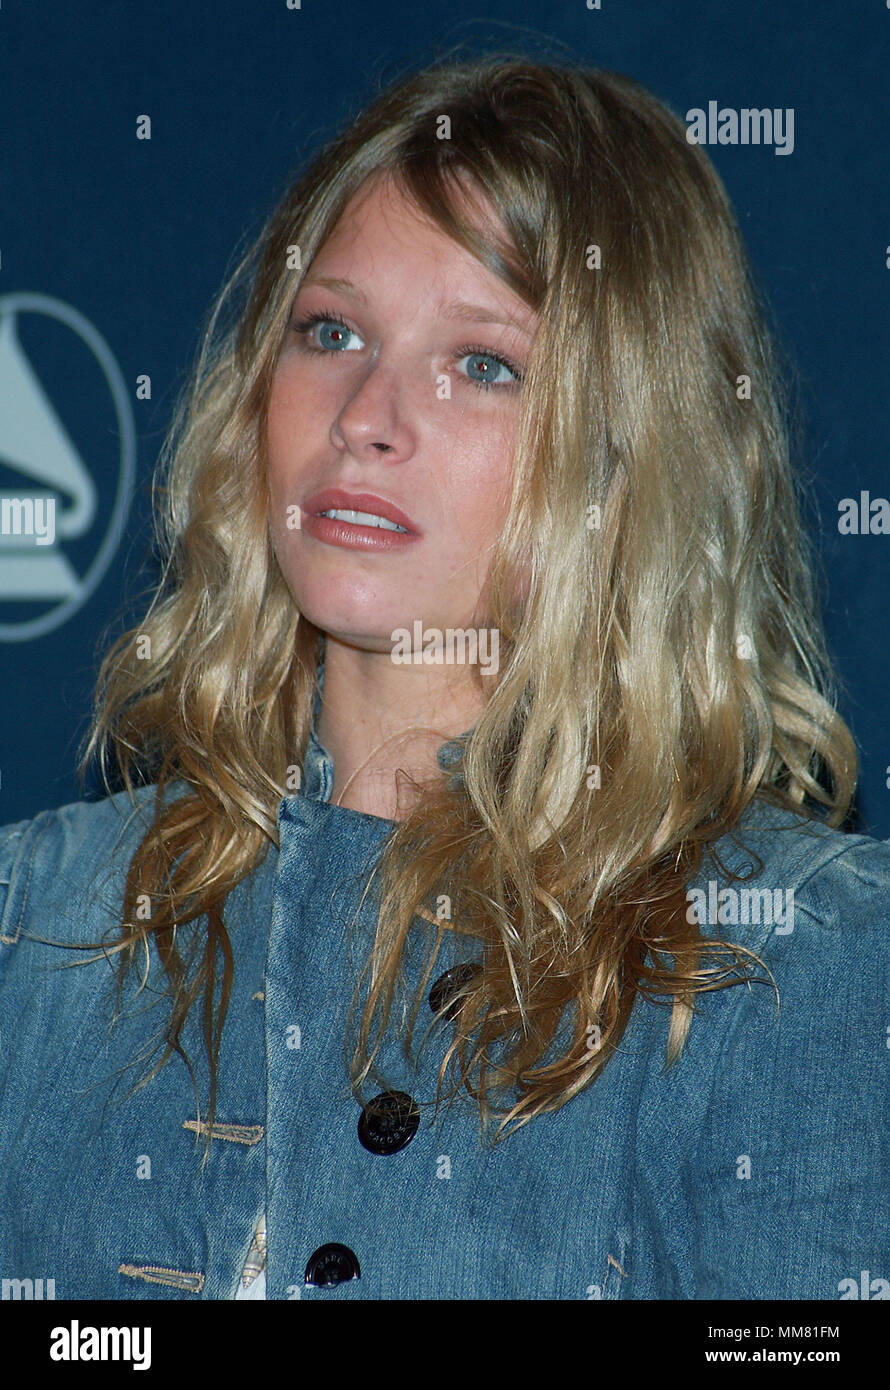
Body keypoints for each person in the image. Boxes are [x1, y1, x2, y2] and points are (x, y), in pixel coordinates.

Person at [1, 53, 888, 1303]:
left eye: (483, 363)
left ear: (624, 461)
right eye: (331, 331)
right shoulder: (32, 924)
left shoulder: (799, 964)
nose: (364, 411)